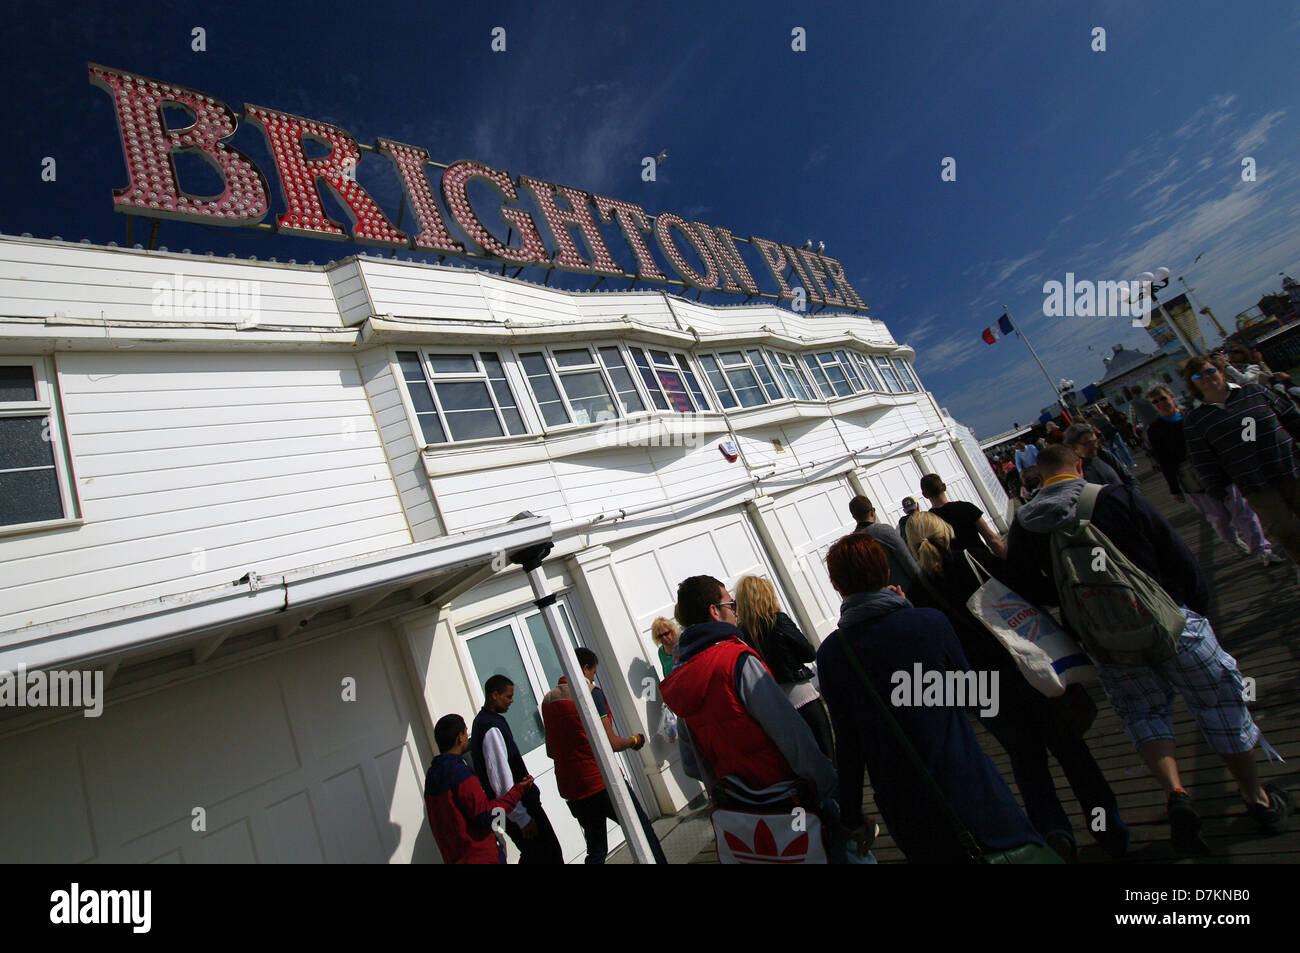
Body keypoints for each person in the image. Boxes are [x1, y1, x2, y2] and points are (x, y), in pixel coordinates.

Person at [1007, 445, 1291, 852]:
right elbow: (1176, 555)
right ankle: (1256, 799)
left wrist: (1074, 601)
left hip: (1103, 641)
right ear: (1080, 468)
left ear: (1037, 478)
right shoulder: (1118, 497)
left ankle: (1177, 795)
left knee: (1145, 715)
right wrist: (1196, 607)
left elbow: (1026, 588)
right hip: (1171, 622)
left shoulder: (1026, 525)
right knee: (1220, 705)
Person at [903, 512, 1126, 861]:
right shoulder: (974, 559)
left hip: (980, 686)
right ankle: (1107, 829)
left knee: (1027, 763)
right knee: (1072, 752)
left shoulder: (917, 590)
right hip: (1025, 667)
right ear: (945, 531)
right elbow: (1029, 591)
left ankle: (1055, 833)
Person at [815, 534, 1046, 863]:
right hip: (965, 779)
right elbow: (973, 693)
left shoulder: (833, 654)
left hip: (903, 799)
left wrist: (851, 816)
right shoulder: (928, 622)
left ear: (838, 585)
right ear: (885, 573)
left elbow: (849, 744)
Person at [660, 575, 843, 860]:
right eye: (730, 604)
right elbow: (790, 734)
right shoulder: (737, 660)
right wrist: (826, 783)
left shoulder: (680, 677)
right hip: (786, 795)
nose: (735, 610)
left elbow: (691, 763)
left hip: (739, 807)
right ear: (714, 611)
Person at [539, 647, 668, 864]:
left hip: (573, 790)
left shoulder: (548, 700)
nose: (593, 677)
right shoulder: (590, 693)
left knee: (596, 849)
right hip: (602, 782)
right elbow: (612, 743)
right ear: (586, 668)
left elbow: (551, 751)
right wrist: (634, 741)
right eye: (593, 672)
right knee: (641, 829)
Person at [1183, 354, 1300, 571]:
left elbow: (1289, 415)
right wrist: (1216, 487)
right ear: (1193, 383)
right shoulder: (1196, 418)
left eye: (1210, 371)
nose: (1207, 378)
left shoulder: (1253, 391)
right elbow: (1202, 456)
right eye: (1199, 376)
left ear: (1220, 371)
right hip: (1253, 480)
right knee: (1284, 528)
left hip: (1289, 464)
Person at [1146, 384, 1283, 568]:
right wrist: (1174, 488)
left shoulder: (1194, 415)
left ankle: (1262, 550)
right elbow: (1165, 461)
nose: (1161, 403)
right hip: (1194, 478)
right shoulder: (1156, 430)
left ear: (1171, 396)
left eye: (1163, 398)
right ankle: (1232, 540)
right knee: (1219, 517)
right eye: (1155, 402)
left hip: (1219, 469)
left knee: (1243, 511)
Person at [734, 575, 835, 761]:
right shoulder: (777, 620)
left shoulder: (741, 635)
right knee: (826, 753)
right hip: (801, 694)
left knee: (801, 758)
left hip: (774, 701)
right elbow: (808, 653)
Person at [469, 675, 564, 864]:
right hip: (518, 809)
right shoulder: (490, 727)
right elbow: (500, 780)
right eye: (508, 696)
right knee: (549, 854)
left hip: (514, 808)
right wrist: (521, 817)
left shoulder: (487, 722)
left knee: (536, 855)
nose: (512, 701)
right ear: (494, 695)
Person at [424, 713, 534, 864]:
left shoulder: (432, 776)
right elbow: (485, 814)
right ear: (460, 737)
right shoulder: (459, 773)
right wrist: (518, 792)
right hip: (479, 857)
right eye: (465, 731)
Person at [918, 473, 1007, 563]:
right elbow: (992, 539)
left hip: (960, 571)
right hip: (984, 563)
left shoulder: (927, 522)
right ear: (944, 487)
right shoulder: (966, 507)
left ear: (925, 495)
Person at [849, 494, 921, 590]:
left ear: (854, 517)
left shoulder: (852, 543)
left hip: (881, 596)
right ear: (872, 512)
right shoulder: (883, 531)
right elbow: (907, 560)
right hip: (905, 590)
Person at [1062, 422, 1137, 488]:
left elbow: (1130, 480)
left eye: (1095, 441)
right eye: (1088, 443)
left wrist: (1134, 497)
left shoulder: (1104, 455)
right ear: (1073, 447)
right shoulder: (1072, 471)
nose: (1095, 446)